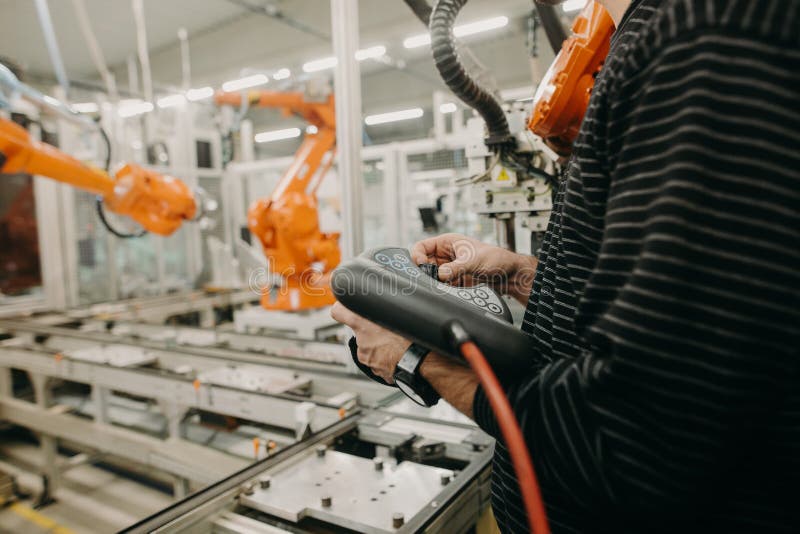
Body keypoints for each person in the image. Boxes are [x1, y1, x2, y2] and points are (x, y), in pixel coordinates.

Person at [332, 0, 799, 531]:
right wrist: (521, 275)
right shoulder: (665, 34)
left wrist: (415, 357)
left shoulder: (702, 37)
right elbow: (662, 315)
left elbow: (636, 448)